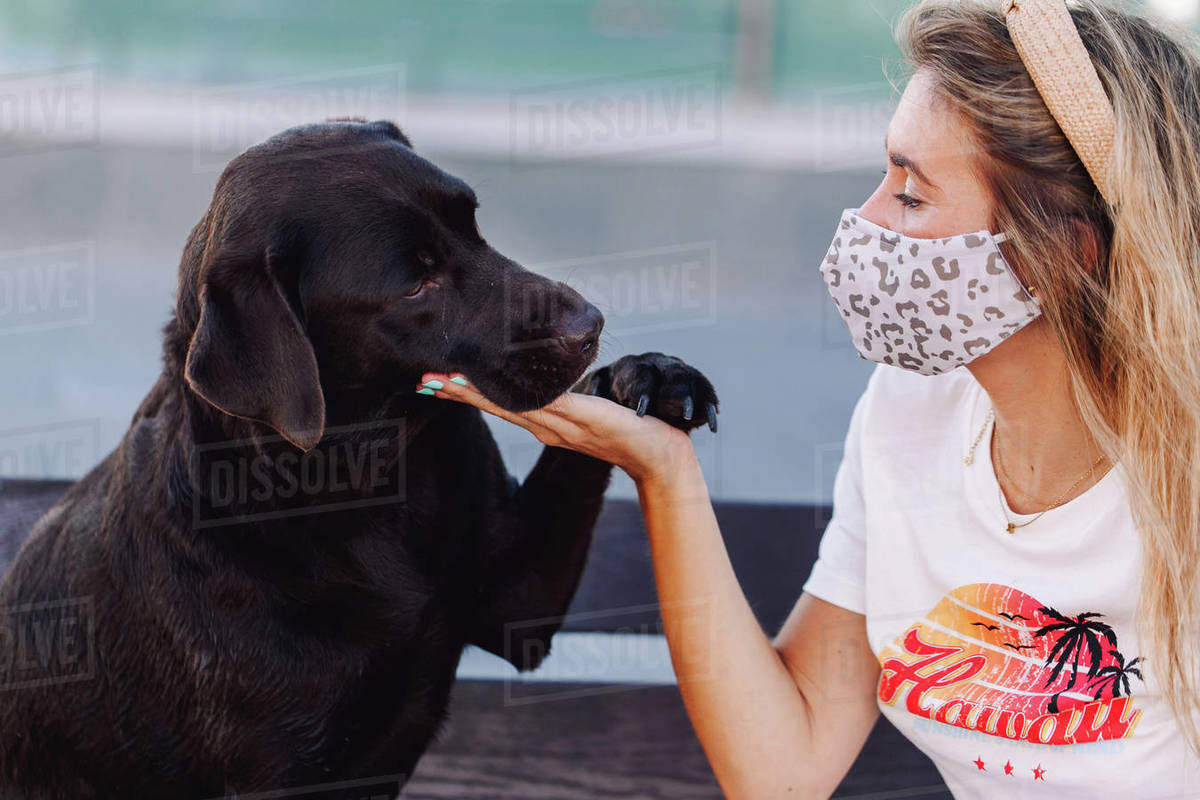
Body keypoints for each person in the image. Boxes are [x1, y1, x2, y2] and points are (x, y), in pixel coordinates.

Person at [415, 0, 1200, 795]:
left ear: (1062, 253)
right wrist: (665, 473)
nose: (862, 222)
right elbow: (782, 770)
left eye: (912, 194)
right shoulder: (909, 412)